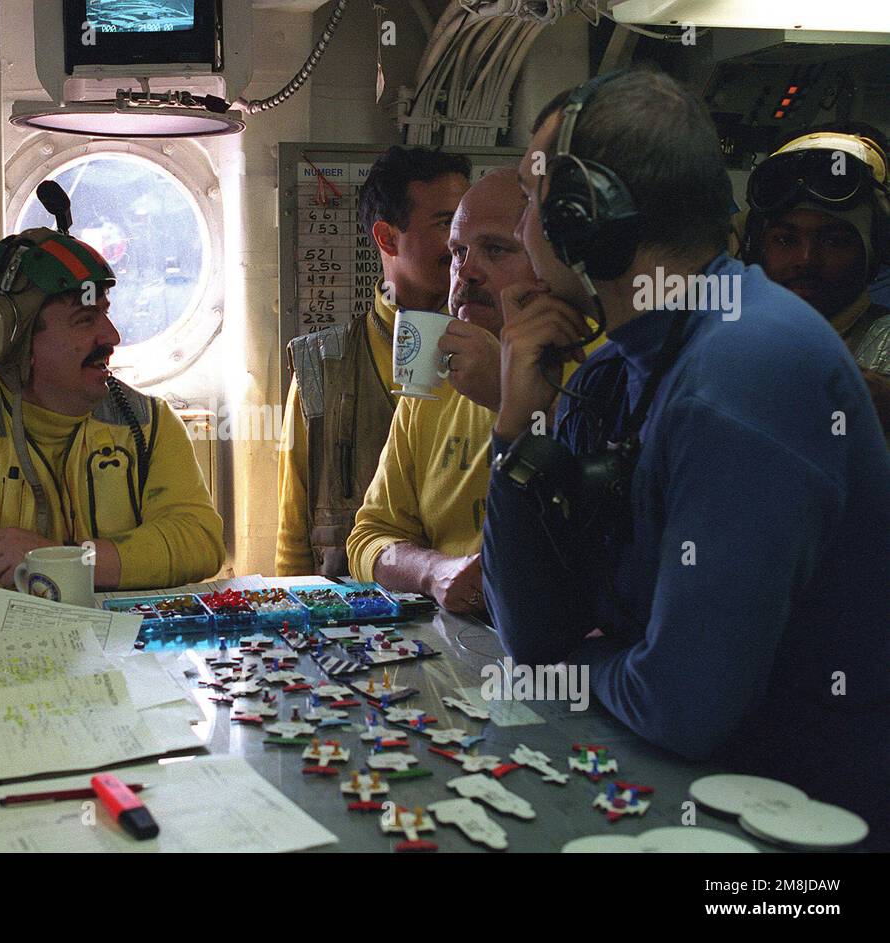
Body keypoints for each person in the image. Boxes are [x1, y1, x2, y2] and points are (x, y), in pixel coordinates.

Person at [481, 68, 890, 848]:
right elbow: (531, 630)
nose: (528, 226)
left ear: (581, 214)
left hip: (805, 830)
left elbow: (683, 705)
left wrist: (578, 663)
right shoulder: (618, 363)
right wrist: (517, 425)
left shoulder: (747, 367)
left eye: (534, 201)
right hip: (704, 793)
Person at [0, 228, 225, 618]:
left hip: (130, 653)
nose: (112, 336)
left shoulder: (150, 422)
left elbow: (199, 543)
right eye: (84, 320)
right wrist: (127, 559)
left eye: (105, 313)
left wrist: (62, 560)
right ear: (10, 340)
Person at [276, 147, 471, 576]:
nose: (462, 242)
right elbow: (294, 534)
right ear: (386, 238)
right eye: (446, 224)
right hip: (350, 625)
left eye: (466, 224)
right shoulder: (319, 366)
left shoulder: (493, 355)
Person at [347, 168, 526, 612]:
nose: (465, 272)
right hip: (460, 634)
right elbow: (367, 539)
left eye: (497, 249)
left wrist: (507, 395)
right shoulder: (433, 377)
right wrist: (432, 572)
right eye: (457, 252)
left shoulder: (605, 369)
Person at [744, 123, 890, 433]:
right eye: (786, 240)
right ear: (758, 247)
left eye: (834, 241)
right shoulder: (731, 338)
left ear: (874, 251)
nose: (806, 260)